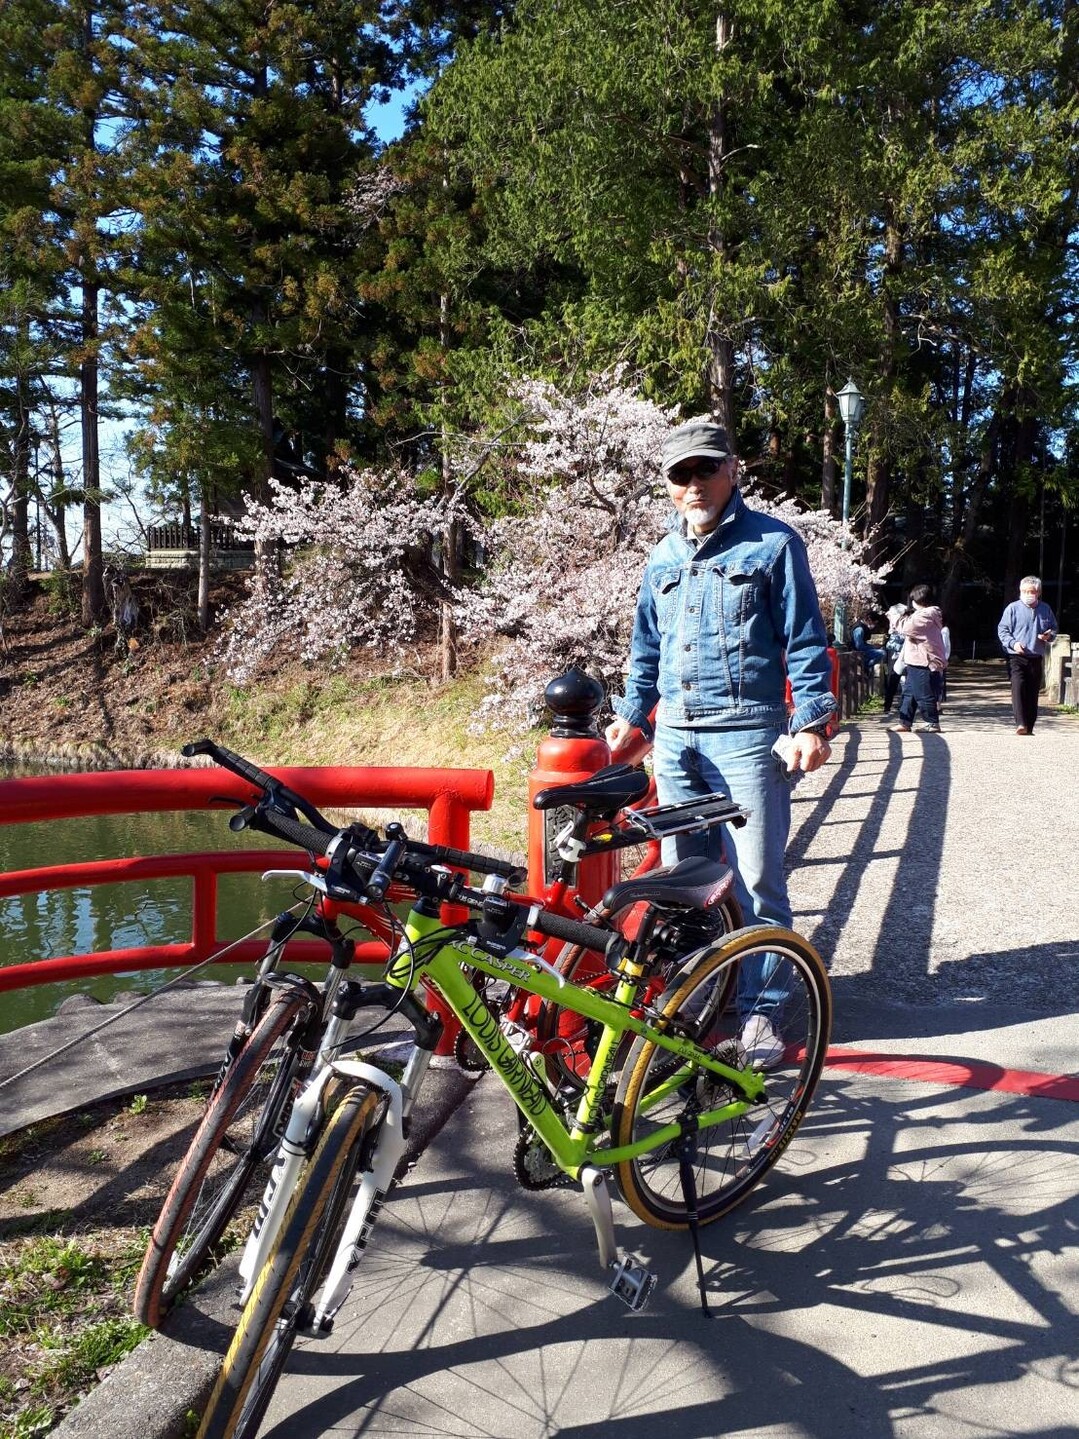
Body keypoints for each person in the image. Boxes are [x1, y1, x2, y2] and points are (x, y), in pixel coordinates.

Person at [604, 418, 836, 1069]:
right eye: (680, 475)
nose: (693, 484)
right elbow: (644, 649)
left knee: (758, 876)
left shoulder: (772, 544)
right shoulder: (661, 557)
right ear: (667, 485)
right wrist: (632, 717)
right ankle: (699, 997)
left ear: (731, 469)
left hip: (748, 732)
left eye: (704, 468)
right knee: (685, 877)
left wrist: (811, 722)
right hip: (676, 738)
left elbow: (806, 641)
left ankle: (762, 1008)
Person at [997, 576, 1058, 734]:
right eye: (1024, 591)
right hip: (1015, 657)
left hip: (1036, 657)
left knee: (1032, 692)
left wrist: (1048, 635)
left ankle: (1030, 725)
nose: (1027, 594)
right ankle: (1021, 724)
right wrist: (1013, 643)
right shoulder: (1012, 608)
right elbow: (1003, 630)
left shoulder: (1045, 609)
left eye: (1031, 591)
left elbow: (1053, 628)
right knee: (1018, 689)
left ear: (1038, 592)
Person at [889, 584, 947, 732]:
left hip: (924, 660)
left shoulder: (926, 615)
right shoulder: (926, 614)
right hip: (916, 659)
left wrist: (895, 616)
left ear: (917, 600)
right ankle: (905, 721)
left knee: (923, 693)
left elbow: (906, 628)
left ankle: (932, 722)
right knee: (909, 693)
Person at [882, 600, 908, 713]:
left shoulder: (901, 626)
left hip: (901, 656)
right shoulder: (900, 625)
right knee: (900, 681)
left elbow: (892, 644)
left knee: (896, 680)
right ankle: (897, 704)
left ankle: (890, 705)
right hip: (900, 656)